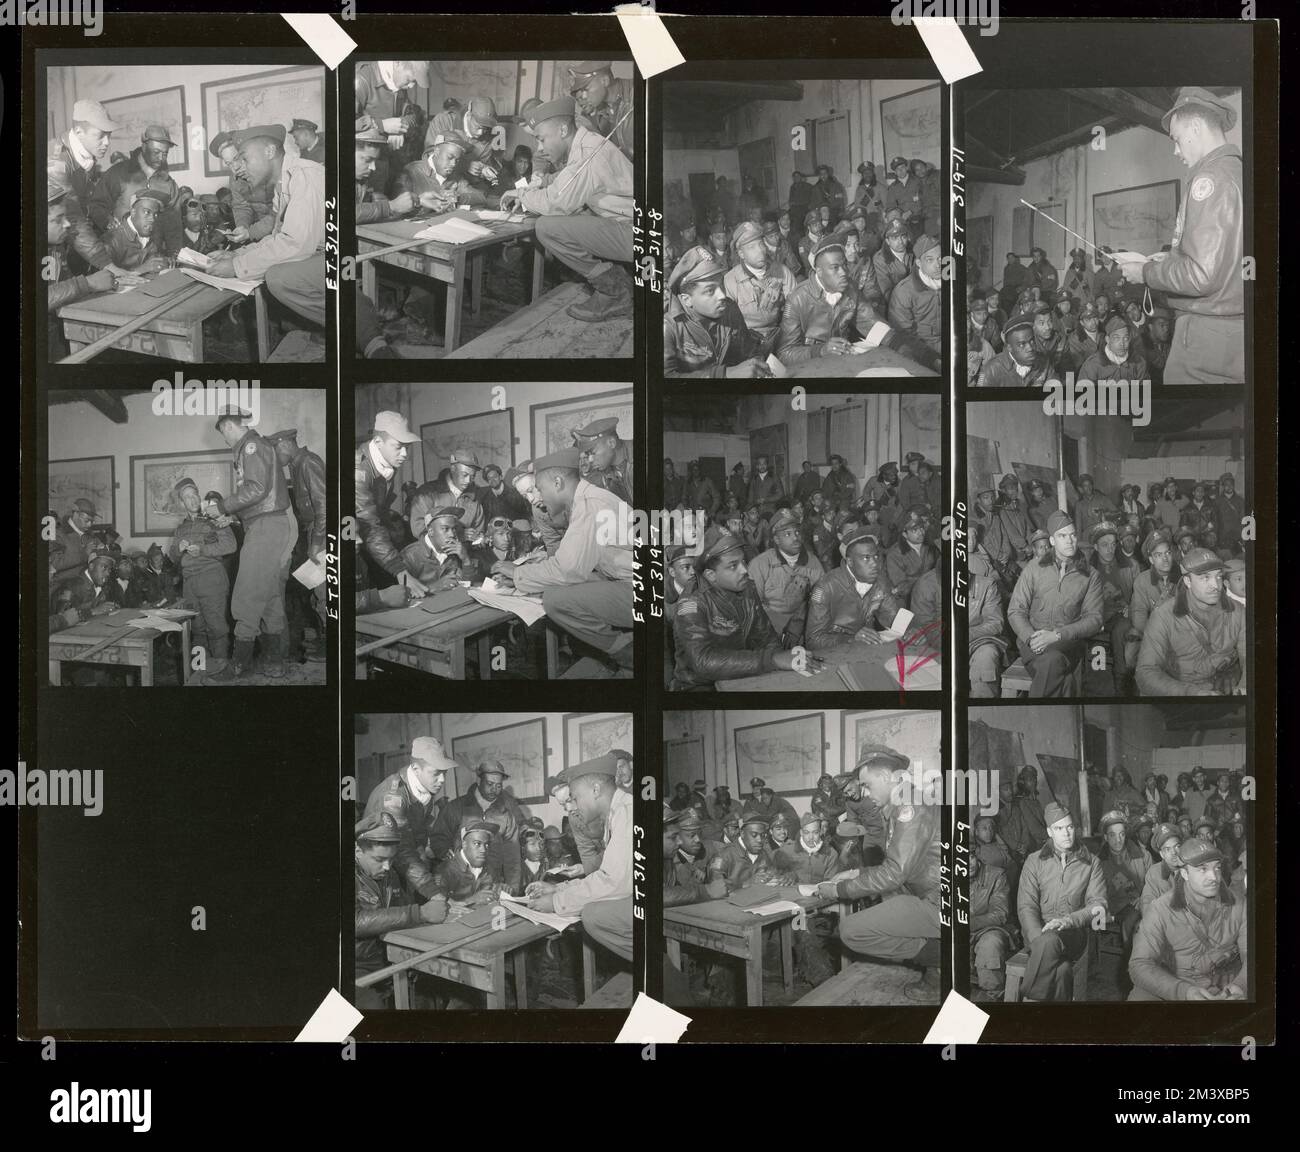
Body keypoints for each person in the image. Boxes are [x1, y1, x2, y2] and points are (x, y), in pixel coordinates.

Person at [1114, 88, 1243, 385]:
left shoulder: (1210, 178)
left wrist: (1145, 272)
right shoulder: (1237, 171)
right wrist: (1171, 260)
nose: (1175, 150)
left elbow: (1201, 276)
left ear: (1195, 127)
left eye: (1176, 138)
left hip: (1205, 335)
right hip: (1230, 330)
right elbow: (1226, 261)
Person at [490, 449, 634, 670]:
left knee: (555, 600)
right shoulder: (586, 499)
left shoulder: (589, 505)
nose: (537, 498)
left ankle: (627, 652)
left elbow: (567, 569)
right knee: (561, 587)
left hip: (643, 590)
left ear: (557, 483)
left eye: (539, 489)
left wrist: (517, 572)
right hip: (623, 578)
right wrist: (524, 579)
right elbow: (571, 564)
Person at [820, 746, 942, 1002]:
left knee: (851, 930)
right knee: (886, 899)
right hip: (931, 895)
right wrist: (856, 872)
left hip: (940, 904)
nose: (864, 793)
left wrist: (839, 889)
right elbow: (899, 865)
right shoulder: (905, 803)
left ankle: (941, 955)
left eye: (867, 785)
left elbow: (894, 873)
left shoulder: (912, 806)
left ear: (887, 777)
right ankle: (938, 958)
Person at [496, 96, 634, 322]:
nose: (540, 148)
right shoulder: (587, 143)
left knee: (547, 227)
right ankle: (619, 284)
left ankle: (616, 292)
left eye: (541, 139)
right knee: (571, 215)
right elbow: (567, 178)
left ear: (562, 130)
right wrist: (542, 183)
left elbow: (555, 202)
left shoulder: (587, 154)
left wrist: (522, 194)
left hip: (637, 233)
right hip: (630, 223)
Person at [205, 125, 326, 330]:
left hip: (333, 258)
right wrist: (237, 254)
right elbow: (278, 236)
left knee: (277, 277)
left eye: (244, 159)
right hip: (312, 253)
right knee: (274, 274)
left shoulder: (303, 176)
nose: (239, 169)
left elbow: (295, 244)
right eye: (232, 163)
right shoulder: (283, 182)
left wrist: (237, 266)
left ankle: (351, 322)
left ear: (269, 152)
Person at [671, 533, 825, 690]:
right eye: (733, 566)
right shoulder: (692, 603)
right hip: (701, 686)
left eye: (743, 561)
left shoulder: (747, 588)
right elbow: (703, 661)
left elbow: (766, 637)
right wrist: (772, 660)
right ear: (711, 575)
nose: (745, 570)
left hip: (744, 674)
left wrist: (784, 662)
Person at [209, 409, 294, 681]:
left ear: (228, 426)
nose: (224, 439)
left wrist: (222, 506)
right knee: (268, 595)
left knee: (245, 595)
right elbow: (262, 496)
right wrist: (233, 516)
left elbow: (256, 488)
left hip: (265, 527)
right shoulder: (257, 446)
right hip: (269, 524)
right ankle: (274, 661)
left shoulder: (251, 447)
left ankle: (239, 665)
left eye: (223, 433)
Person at [526, 755, 633, 965]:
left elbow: (613, 882)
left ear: (595, 790)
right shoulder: (616, 812)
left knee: (594, 915)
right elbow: (606, 874)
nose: (571, 808)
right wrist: (559, 888)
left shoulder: (626, 813)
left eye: (574, 798)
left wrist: (556, 901)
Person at [776, 235, 940, 372]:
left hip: (841, 363)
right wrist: (820, 350)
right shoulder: (797, 299)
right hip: (810, 367)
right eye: (835, 267)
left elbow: (873, 325)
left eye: (844, 265)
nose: (843, 272)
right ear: (819, 271)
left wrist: (915, 353)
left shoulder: (850, 289)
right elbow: (784, 354)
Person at [1127, 836, 1247, 1001]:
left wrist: (1241, 985)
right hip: (1173, 984)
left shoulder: (1238, 904)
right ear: (1184, 873)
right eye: (1202, 869)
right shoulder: (1160, 909)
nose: (1213, 877)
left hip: (1223, 985)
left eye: (1217, 867)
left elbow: (1253, 954)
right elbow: (1139, 965)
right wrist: (1184, 992)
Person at [353, 811, 447, 1009]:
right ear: (357, 850)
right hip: (355, 964)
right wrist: (419, 913)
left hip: (386, 956)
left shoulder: (389, 875)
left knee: (435, 992)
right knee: (372, 1006)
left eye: (391, 859)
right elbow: (355, 921)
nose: (387, 867)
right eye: (379, 859)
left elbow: (401, 910)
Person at [1016, 802, 1107, 1001]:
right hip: (1037, 934)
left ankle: (1028, 1001)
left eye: (1070, 827)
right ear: (1050, 832)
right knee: (1062, 970)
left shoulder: (1092, 863)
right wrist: (1038, 937)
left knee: (1051, 941)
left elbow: (1099, 906)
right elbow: (1026, 906)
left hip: (1072, 934)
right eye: (1059, 828)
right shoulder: (1034, 861)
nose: (1066, 833)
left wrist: (1068, 921)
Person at [1006, 510, 1103, 697]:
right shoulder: (1033, 569)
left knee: (1053, 662)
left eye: (1073, 535)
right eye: (1062, 536)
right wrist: (1031, 638)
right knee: (1062, 675)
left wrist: (1057, 635)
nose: (1069, 541)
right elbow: (1015, 610)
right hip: (1032, 644)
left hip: (1068, 644)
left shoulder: (1090, 575)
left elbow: (1095, 620)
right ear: (1052, 540)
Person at [1136, 547, 1243, 695]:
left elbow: (1250, 656)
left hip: (1223, 692)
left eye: (1218, 576)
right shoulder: (1163, 616)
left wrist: (1241, 679)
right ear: (1187, 581)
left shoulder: (1237, 611)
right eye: (1205, 578)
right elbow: (1145, 673)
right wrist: (1192, 693)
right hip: (1181, 695)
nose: (1215, 585)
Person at [363, 736, 456, 903]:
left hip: (405, 863)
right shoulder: (393, 797)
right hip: (379, 868)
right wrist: (432, 891)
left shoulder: (424, 788)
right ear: (415, 768)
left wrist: (424, 856)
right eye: (436, 773)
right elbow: (401, 850)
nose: (442, 780)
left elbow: (418, 833)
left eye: (445, 773)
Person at [166, 477, 236, 674]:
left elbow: (230, 545)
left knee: (216, 628)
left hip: (211, 579)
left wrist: (202, 550)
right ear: (182, 503)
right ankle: (199, 673)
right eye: (187, 497)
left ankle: (220, 673)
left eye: (194, 494)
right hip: (189, 584)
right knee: (196, 630)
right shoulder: (180, 529)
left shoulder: (214, 519)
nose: (193, 499)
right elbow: (173, 557)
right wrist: (178, 550)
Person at [664, 246, 767, 378]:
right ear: (687, 299)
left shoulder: (729, 308)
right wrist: (724, 374)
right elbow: (665, 379)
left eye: (721, 285)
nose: (722, 295)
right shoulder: (669, 326)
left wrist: (756, 362)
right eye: (710, 290)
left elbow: (748, 351)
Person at [805, 528, 903, 650]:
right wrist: (850, 638)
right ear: (850, 562)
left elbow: (892, 618)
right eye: (866, 558)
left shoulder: (880, 581)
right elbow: (813, 640)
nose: (875, 563)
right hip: (835, 652)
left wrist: (910, 629)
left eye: (876, 556)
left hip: (866, 649)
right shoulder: (826, 587)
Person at [746, 507, 826, 646]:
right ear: (776, 539)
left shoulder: (813, 562)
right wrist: (784, 627)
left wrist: (799, 624)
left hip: (805, 629)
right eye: (788, 534)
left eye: (797, 532)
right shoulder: (760, 564)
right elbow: (753, 606)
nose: (795, 538)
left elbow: (823, 601)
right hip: (770, 632)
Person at [722, 220, 799, 354]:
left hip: (778, 338)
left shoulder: (782, 271)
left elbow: (797, 310)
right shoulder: (730, 280)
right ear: (741, 253)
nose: (760, 251)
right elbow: (728, 326)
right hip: (746, 343)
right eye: (751, 247)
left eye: (761, 244)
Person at [1096, 810, 1147, 951]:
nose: (1118, 840)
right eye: (1112, 835)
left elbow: (1154, 882)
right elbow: (1096, 894)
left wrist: (1143, 899)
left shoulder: (1143, 856)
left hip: (1145, 904)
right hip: (1115, 910)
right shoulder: (1099, 863)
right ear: (1105, 837)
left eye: (1121, 834)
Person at [969, 850, 1016, 1001]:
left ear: (976, 856)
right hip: (960, 929)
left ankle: (992, 995)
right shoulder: (946, 875)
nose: (968, 864)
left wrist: (966, 924)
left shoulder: (997, 875)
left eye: (970, 857)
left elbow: (999, 914)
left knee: (990, 944)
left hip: (990, 928)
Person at [887, 234, 942, 355]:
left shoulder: (951, 282)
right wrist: (930, 358)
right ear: (919, 263)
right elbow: (903, 335)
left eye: (940, 258)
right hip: (924, 350)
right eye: (930, 260)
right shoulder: (904, 291)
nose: (938, 265)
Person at [568, 61, 634, 162]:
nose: (583, 97)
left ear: (605, 81)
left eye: (586, 89)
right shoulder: (598, 111)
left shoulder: (637, 93)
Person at [434, 820, 507, 903]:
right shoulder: (446, 870)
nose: (483, 850)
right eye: (477, 844)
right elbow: (437, 905)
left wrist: (500, 890)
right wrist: (470, 900)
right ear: (464, 844)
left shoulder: (489, 867)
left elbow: (492, 892)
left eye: (486, 845)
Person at [975, 313, 1054, 387]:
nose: (1030, 348)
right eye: (1022, 344)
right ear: (1009, 348)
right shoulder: (990, 370)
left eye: (1031, 341)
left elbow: (1056, 393)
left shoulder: (1044, 362)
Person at [572, 416, 633, 506]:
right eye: (588, 454)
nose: (590, 460)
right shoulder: (606, 471)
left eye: (593, 452)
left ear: (611, 443)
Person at [1141, 823, 1184, 914]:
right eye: (1167, 849)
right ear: (1162, 854)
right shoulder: (1154, 873)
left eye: (1177, 847)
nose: (1174, 852)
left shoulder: (1192, 867)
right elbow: (1147, 905)